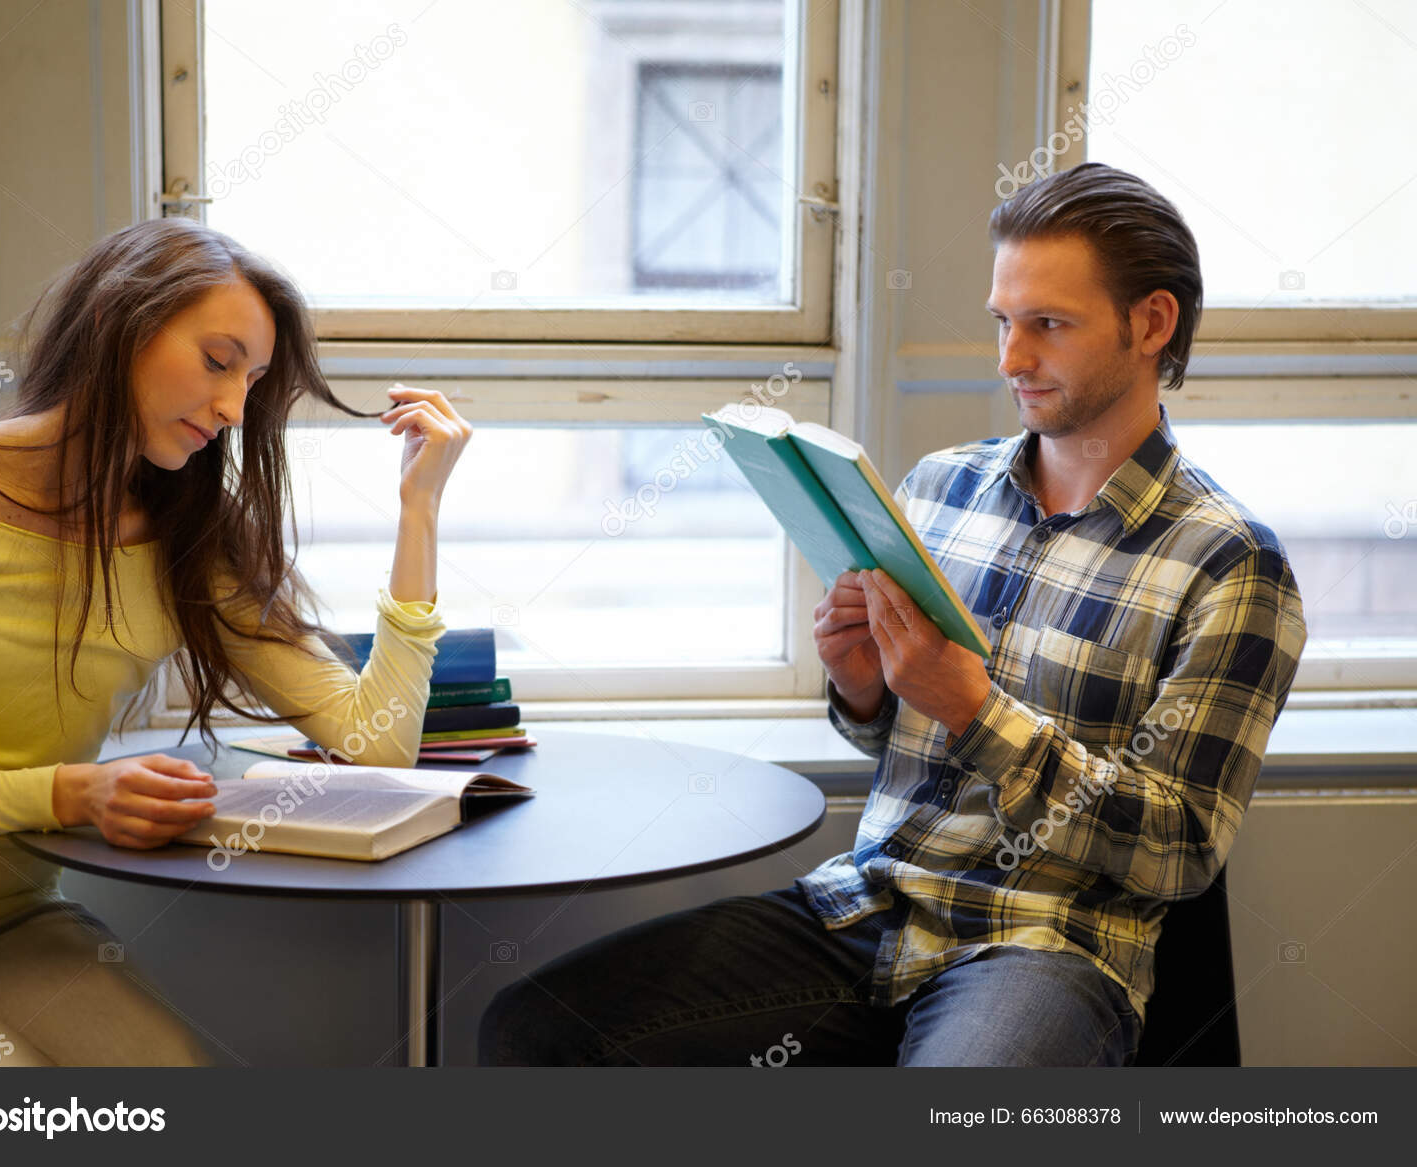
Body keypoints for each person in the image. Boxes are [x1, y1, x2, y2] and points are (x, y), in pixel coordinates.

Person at [479, 163, 1308, 1067]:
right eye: (1003, 321)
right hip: (864, 907)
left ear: (1151, 323)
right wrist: (869, 694)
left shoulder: (1232, 562)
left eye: (1049, 326)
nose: (1011, 359)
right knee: (533, 1027)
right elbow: (906, 750)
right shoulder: (939, 488)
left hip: (1044, 947)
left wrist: (973, 710)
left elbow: (1180, 850)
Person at [0, 217, 471, 1066]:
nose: (235, 407)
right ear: (117, 324)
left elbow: (379, 743)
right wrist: (73, 793)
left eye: (255, 378)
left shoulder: (185, 532)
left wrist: (418, 511)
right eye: (217, 360)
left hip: (11, 923)